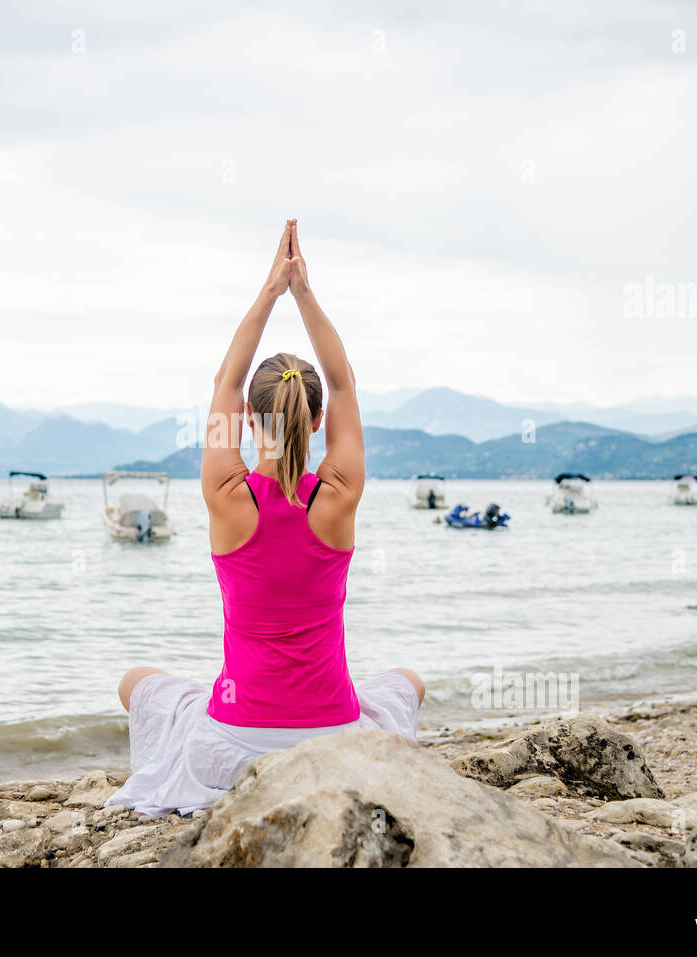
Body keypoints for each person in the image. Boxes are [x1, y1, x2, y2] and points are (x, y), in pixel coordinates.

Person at [106, 220, 424, 817]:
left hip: (235, 741)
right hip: (333, 737)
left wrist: (271, 289)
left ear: (250, 420)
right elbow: (344, 383)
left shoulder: (227, 493)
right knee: (407, 681)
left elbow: (226, 383)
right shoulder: (338, 494)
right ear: (318, 421)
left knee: (136, 682)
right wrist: (303, 292)